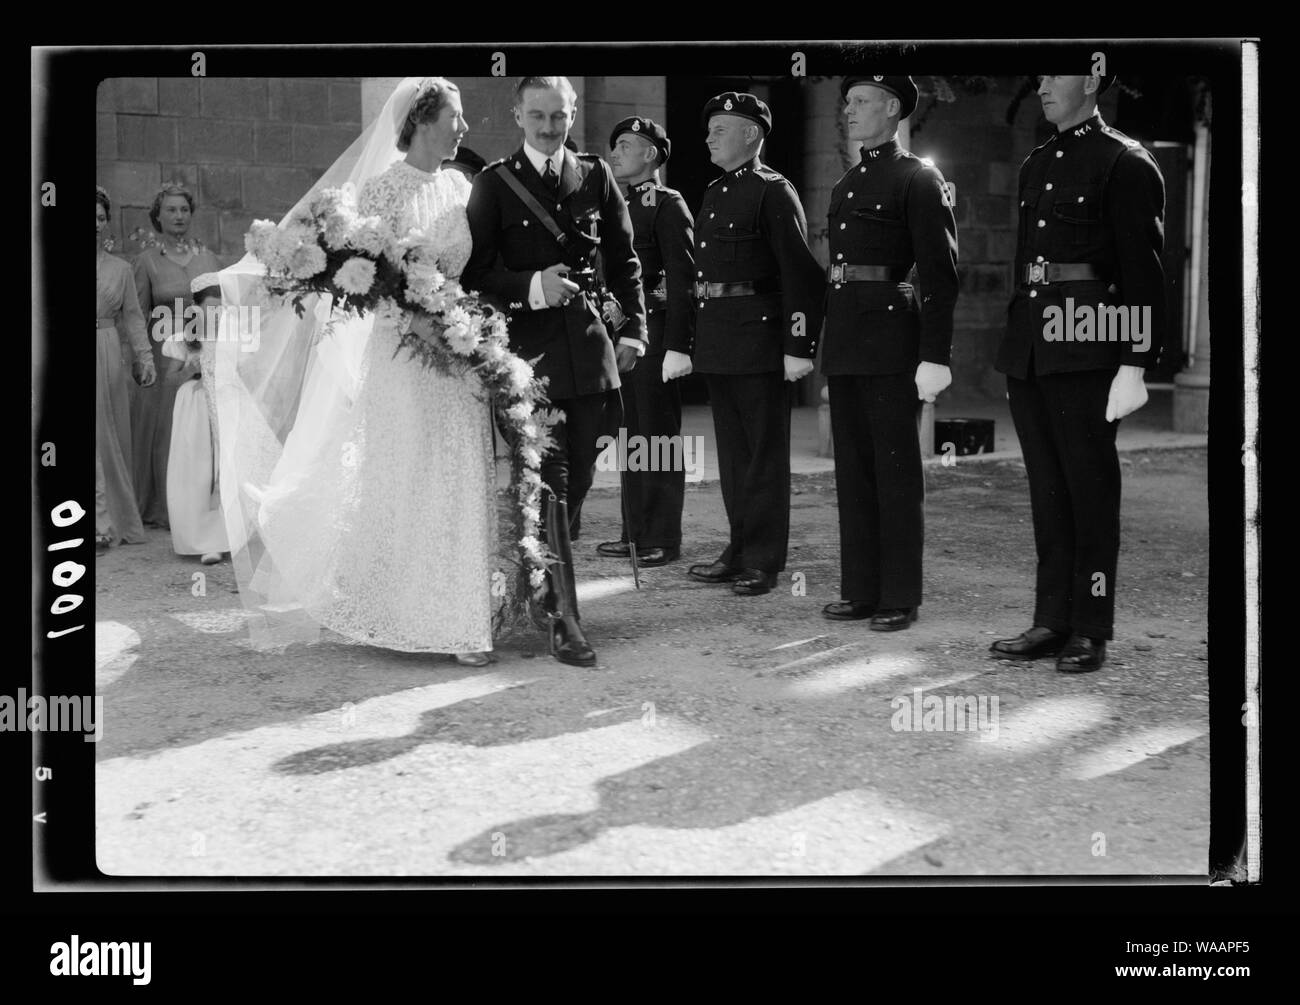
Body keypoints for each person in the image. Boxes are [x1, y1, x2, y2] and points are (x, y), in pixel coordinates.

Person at [217, 76, 504, 667]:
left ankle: (462, 618)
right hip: (402, 351)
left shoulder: (461, 186)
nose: (465, 128)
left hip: (460, 346)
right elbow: (367, 277)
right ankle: (399, 608)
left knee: (459, 469)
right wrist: (412, 316)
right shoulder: (379, 193)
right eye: (456, 117)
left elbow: (472, 267)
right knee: (405, 470)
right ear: (423, 121)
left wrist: (466, 327)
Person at [463, 75, 647, 668]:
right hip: (529, 364)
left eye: (559, 117)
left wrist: (636, 330)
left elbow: (624, 259)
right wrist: (531, 287)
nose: (549, 127)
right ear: (518, 116)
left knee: (582, 476)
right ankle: (565, 619)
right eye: (538, 116)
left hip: (593, 355)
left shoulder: (595, 175)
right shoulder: (494, 185)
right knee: (553, 483)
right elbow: (475, 276)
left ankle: (539, 584)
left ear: (571, 117)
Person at [990, 70, 1165, 673]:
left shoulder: (1125, 162)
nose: (1040, 85)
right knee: (1048, 492)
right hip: (1035, 348)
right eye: (1037, 74)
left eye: (1055, 74)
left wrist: (1135, 363)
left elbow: (1143, 272)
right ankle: (1050, 620)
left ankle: (1090, 625)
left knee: (1090, 493)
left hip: (1090, 347)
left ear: (1092, 81)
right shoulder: (1037, 162)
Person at [820, 75, 959, 632]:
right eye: (847, 102)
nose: (848, 111)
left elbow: (941, 274)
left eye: (860, 102)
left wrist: (935, 356)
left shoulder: (917, 178)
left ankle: (899, 594)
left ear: (892, 108)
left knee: (896, 474)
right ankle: (861, 589)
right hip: (849, 338)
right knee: (853, 473)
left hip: (893, 341)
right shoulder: (847, 181)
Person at [686, 91, 825, 597]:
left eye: (719, 129)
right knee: (735, 457)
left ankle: (763, 561)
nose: (709, 137)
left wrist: (798, 345)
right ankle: (738, 548)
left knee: (763, 457)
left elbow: (801, 274)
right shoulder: (716, 192)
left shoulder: (773, 191)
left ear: (750, 133)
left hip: (761, 341)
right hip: (722, 338)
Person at [597, 115, 695, 568]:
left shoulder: (667, 204)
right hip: (620, 336)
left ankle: (661, 537)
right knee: (631, 435)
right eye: (614, 145)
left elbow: (682, 279)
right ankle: (635, 532)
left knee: (658, 437)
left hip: (653, 338)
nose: (614, 153)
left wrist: (679, 344)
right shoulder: (612, 204)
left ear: (651, 154)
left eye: (625, 145)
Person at [131, 183, 222, 528]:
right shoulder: (147, 262)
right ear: (158, 216)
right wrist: (143, 360)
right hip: (164, 352)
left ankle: (200, 504)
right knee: (165, 430)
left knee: (200, 430)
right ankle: (164, 508)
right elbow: (137, 314)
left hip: (202, 353)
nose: (179, 216)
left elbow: (221, 306)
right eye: (170, 210)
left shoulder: (208, 258)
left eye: (184, 209)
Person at [95, 186, 156, 548]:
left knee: (108, 434)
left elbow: (133, 318)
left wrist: (144, 357)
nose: (95, 224)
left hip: (106, 350)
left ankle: (107, 522)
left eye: (100, 218)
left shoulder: (119, 269)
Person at [164, 273, 228, 564]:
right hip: (197, 407)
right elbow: (169, 379)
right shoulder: (185, 340)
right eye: (210, 309)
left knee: (224, 469)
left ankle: (226, 536)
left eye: (220, 309)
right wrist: (190, 370)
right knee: (198, 472)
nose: (215, 315)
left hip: (226, 403)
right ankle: (202, 538)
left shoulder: (233, 337)